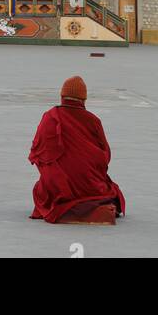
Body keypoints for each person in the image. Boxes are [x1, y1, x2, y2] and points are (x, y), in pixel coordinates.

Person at [28, 76, 125, 225]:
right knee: (112, 192)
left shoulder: (50, 117)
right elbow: (105, 156)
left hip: (60, 187)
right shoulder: (93, 120)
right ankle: (94, 209)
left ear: (61, 97)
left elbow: (39, 155)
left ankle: (73, 211)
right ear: (84, 100)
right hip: (90, 185)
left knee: (41, 192)